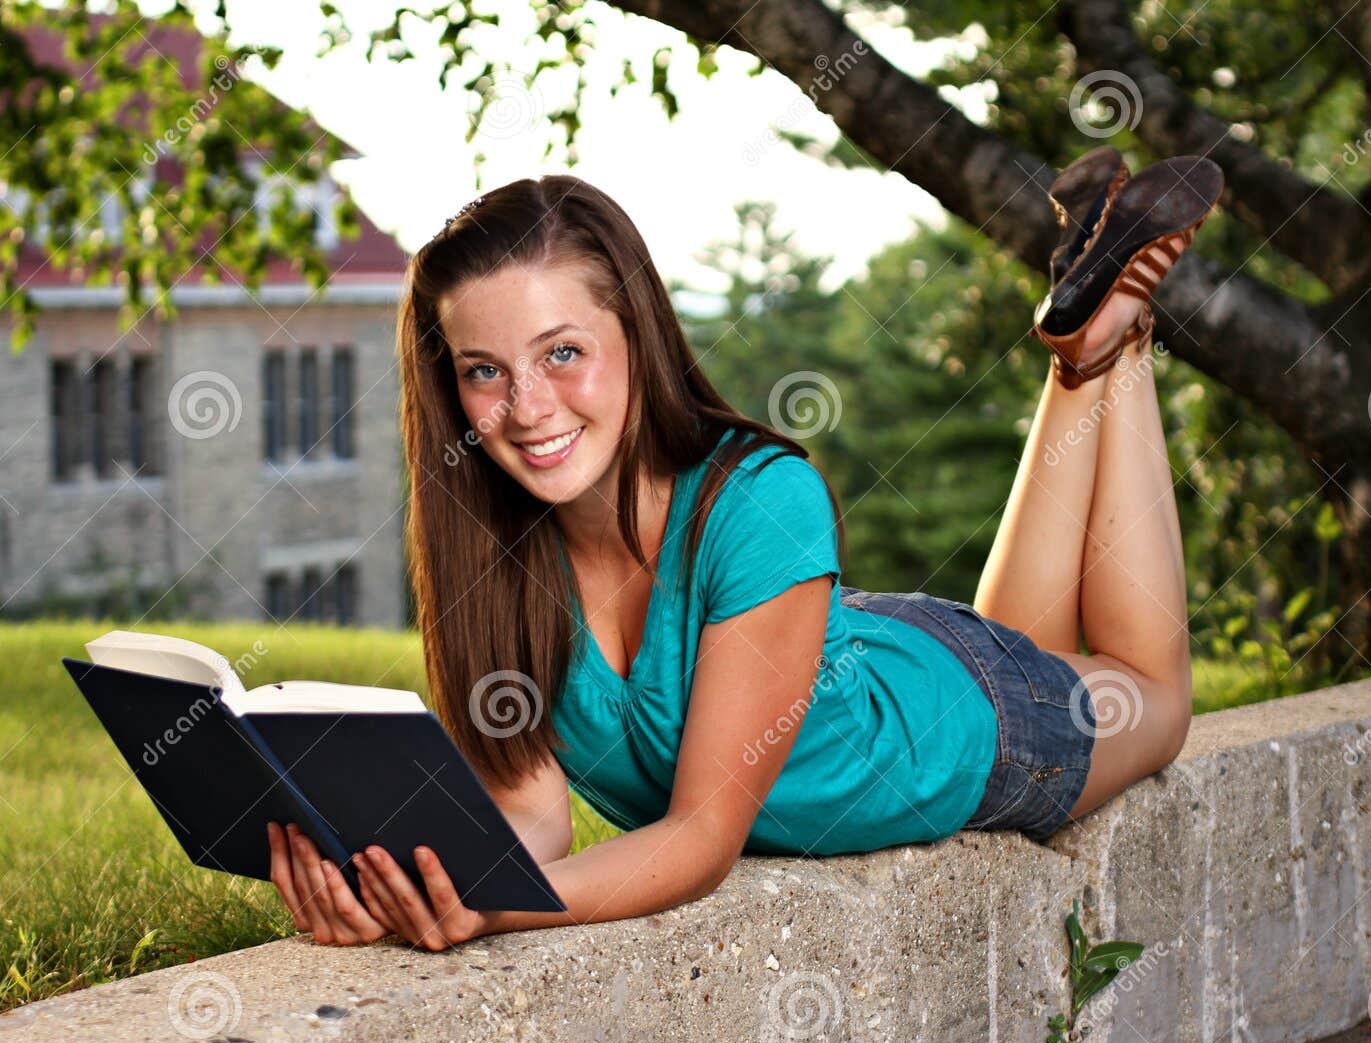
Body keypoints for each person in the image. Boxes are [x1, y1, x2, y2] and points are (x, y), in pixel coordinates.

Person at [267, 160, 1216, 951]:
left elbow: (701, 838)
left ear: (637, 334)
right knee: (1016, 637)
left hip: (967, 728)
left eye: (562, 353)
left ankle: (1112, 344)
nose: (526, 406)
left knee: (1154, 694)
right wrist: (405, 883)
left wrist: (492, 908)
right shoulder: (500, 561)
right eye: (484, 371)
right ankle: (1086, 342)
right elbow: (532, 826)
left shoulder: (762, 498)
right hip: (835, 653)